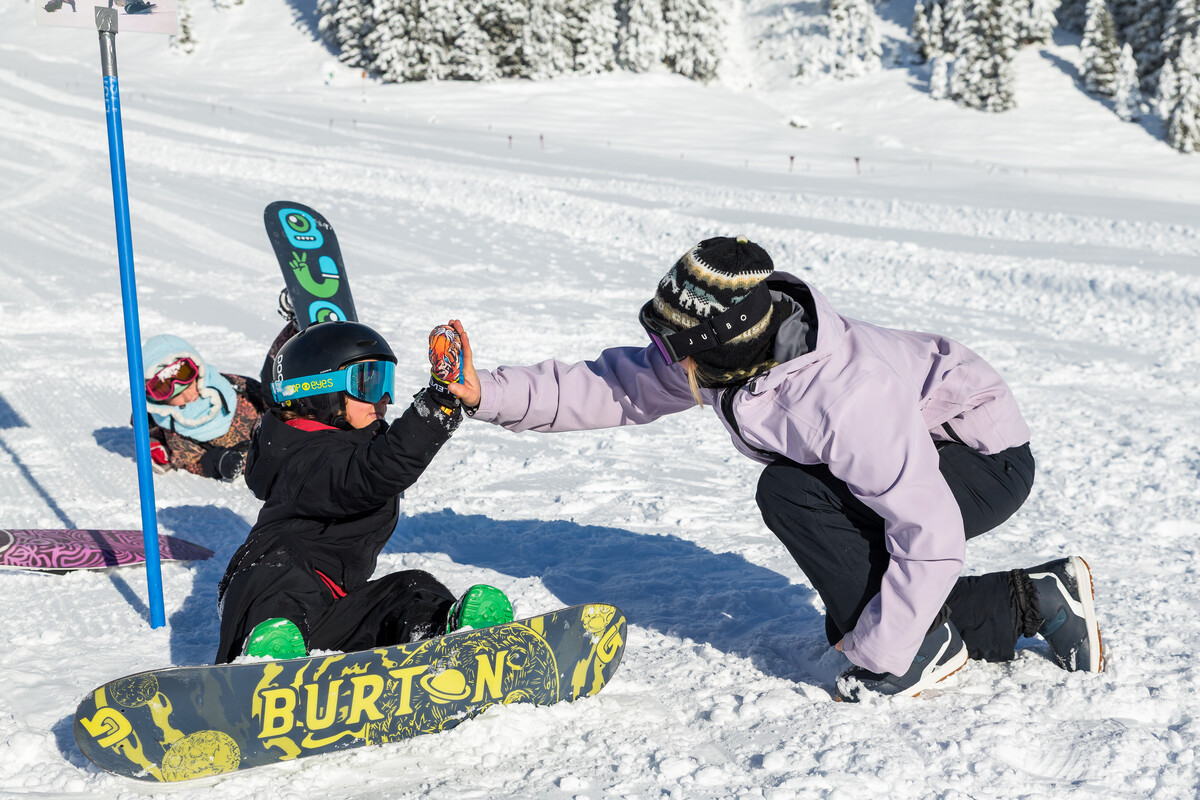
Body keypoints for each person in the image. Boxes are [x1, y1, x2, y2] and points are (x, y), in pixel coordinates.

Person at [439, 236, 1103, 700]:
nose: (660, 358)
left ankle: (925, 650)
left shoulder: (846, 396)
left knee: (804, 510)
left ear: (717, 343)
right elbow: (614, 387)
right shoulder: (738, 355)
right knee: (857, 597)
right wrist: (485, 394)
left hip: (980, 456)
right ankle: (1034, 599)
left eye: (670, 346)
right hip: (919, 446)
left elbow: (928, 532)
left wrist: (885, 650)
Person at [215, 319, 513, 663]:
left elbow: (380, 458)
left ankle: (445, 635)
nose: (384, 398)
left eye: (386, 381)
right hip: (264, 598)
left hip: (330, 612)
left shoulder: (354, 443)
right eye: (368, 382)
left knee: (410, 587)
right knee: (279, 568)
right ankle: (269, 657)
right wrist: (437, 403)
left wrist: (447, 390)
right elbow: (378, 469)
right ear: (319, 390)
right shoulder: (300, 456)